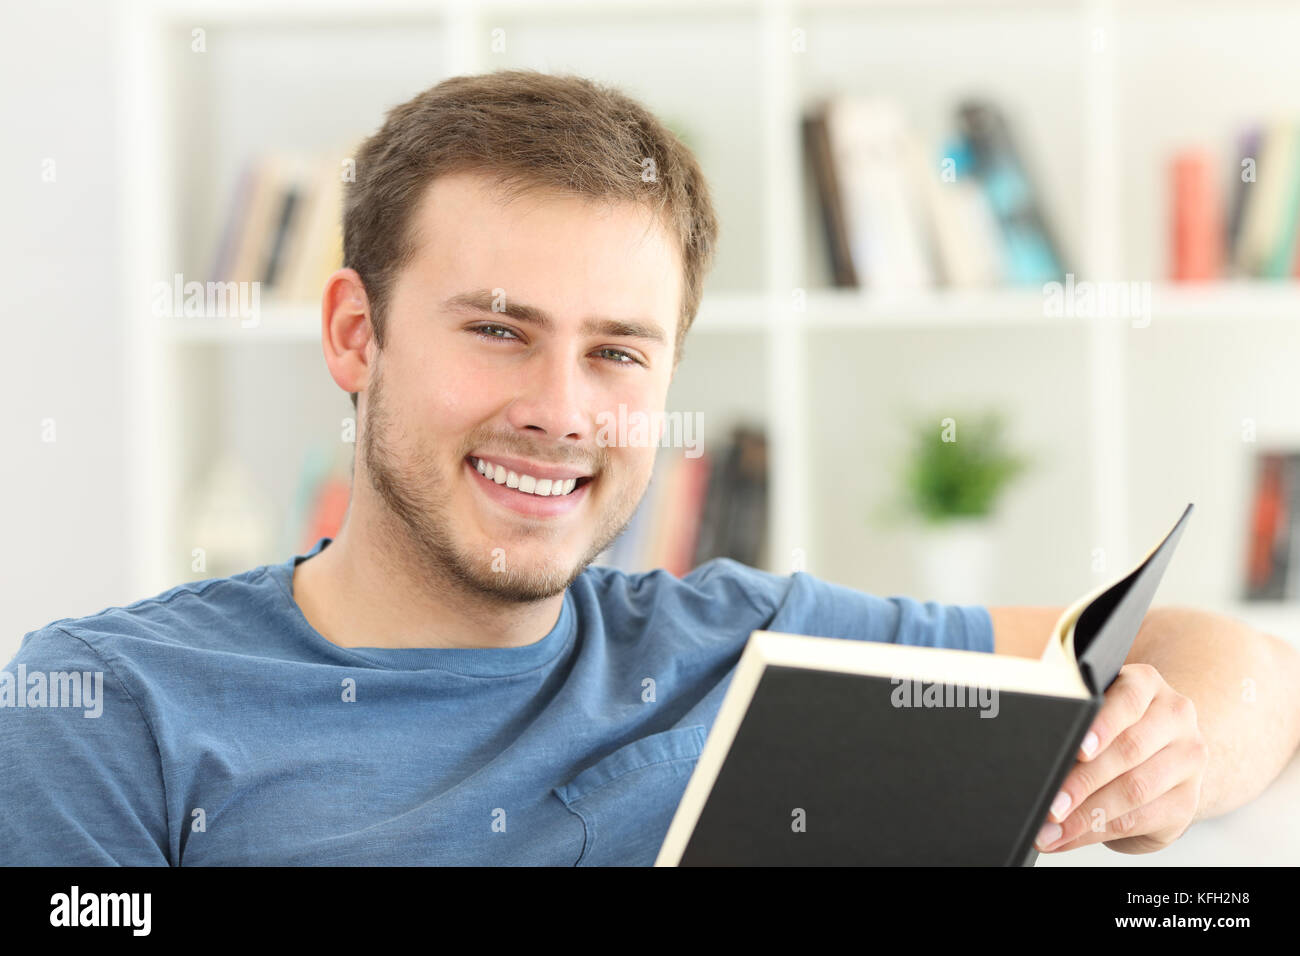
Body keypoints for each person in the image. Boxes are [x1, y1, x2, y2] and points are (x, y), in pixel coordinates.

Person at [2, 71, 1297, 866]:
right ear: (357, 333)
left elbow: (1251, 675)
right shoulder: (108, 709)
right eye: (499, 331)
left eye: (618, 353)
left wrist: (1172, 753)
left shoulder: (750, 650)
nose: (560, 412)